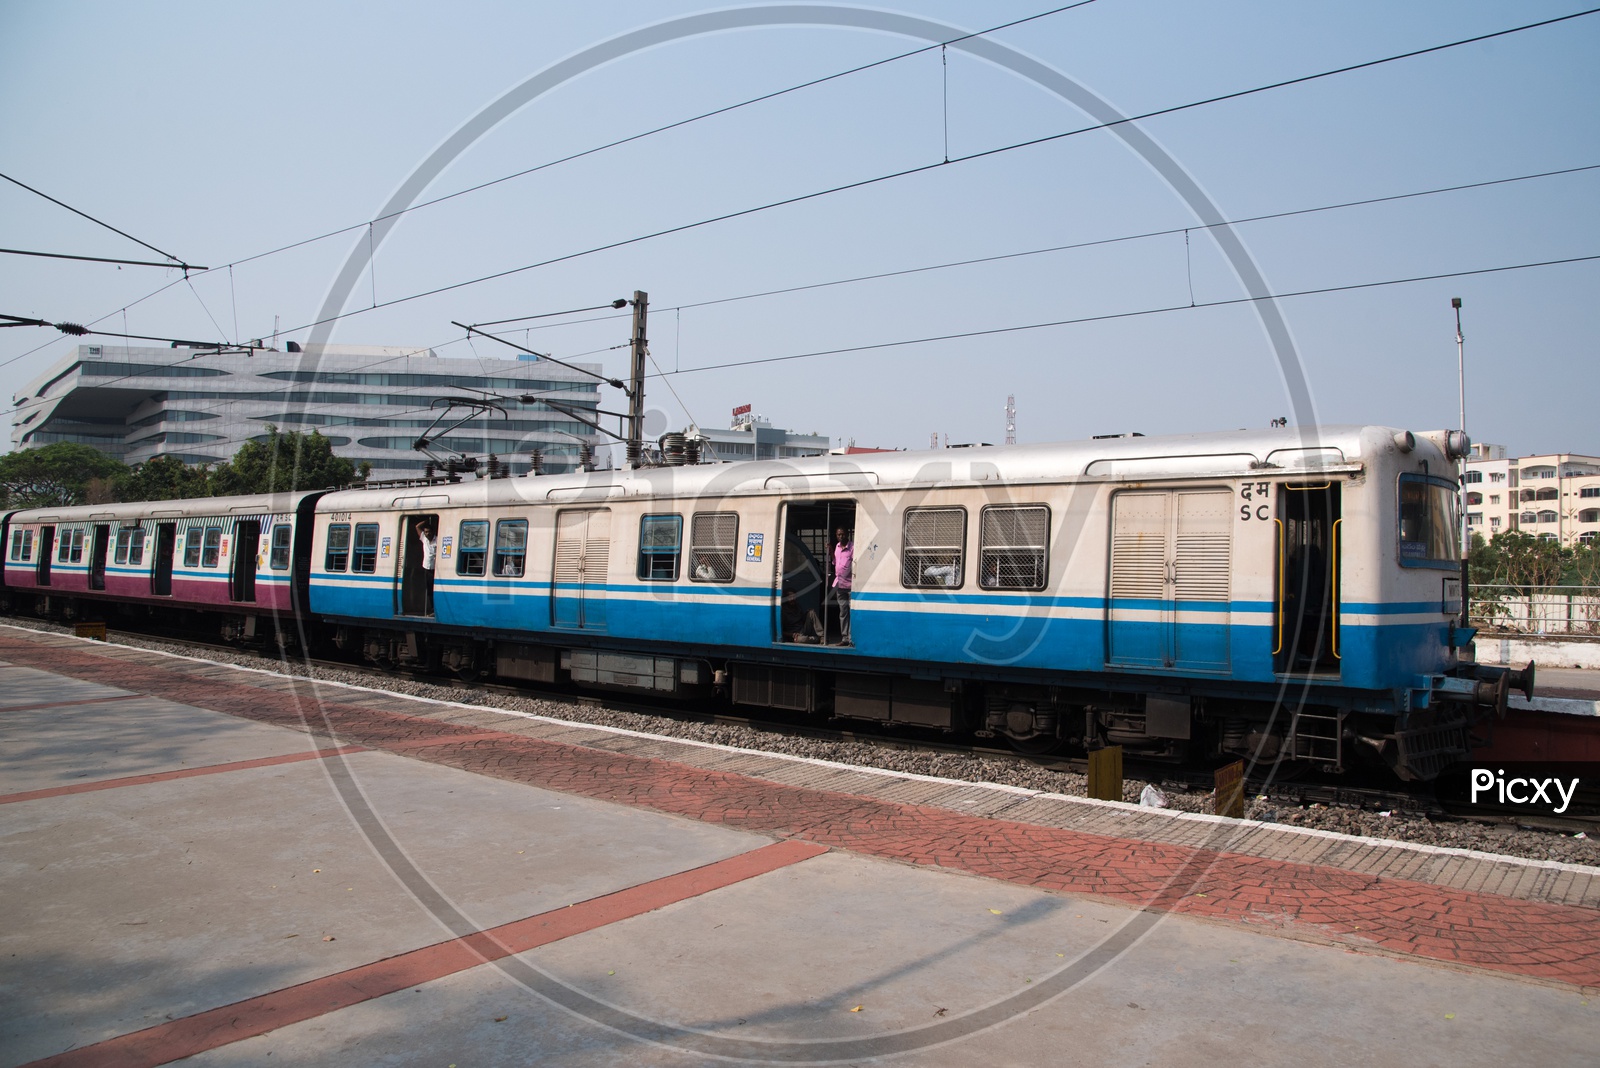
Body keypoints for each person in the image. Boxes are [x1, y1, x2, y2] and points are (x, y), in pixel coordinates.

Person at [831, 526, 853, 644]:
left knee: (852, 612)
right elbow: (835, 562)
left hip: (850, 585)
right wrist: (830, 551)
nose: (841, 537)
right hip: (840, 585)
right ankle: (844, 638)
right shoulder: (837, 547)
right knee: (843, 613)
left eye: (843, 534)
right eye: (839, 535)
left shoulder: (853, 547)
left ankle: (851, 637)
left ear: (847, 534)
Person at [416, 519, 437, 615]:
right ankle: (432, 609)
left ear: (433, 532)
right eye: (425, 532)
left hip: (435, 569)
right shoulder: (424, 539)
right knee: (429, 590)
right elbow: (417, 527)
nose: (427, 534)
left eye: (428, 532)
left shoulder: (437, 540)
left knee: (435, 589)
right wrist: (424, 521)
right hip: (427, 568)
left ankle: (435, 609)